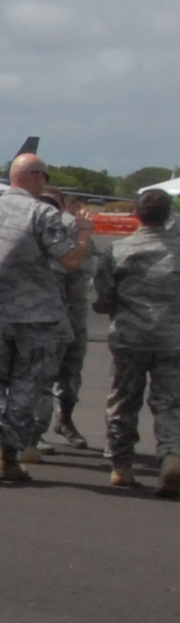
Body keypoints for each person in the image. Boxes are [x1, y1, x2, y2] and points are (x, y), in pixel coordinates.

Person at [0, 153, 93, 482]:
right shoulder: (42, 214)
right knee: (25, 386)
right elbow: (70, 262)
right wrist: (85, 233)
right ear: (35, 177)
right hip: (35, 318)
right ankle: (9, 456)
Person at [94, 186, 180, 494]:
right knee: (171, 403)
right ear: (169, 215)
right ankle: (172, 453)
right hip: (173, 338)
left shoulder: (117, 250)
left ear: (136, 215)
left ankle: (121, 465)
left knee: (123, 401)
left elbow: (103, 299)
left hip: (130, 337)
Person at [27, 191, 94, 453]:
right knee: (41, 376)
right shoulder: (34, 234)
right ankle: (33, 432)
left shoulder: (75, 233)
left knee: (71, 374)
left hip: (72, 313)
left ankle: (64, 421)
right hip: (44, 316)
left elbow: (86, 270)